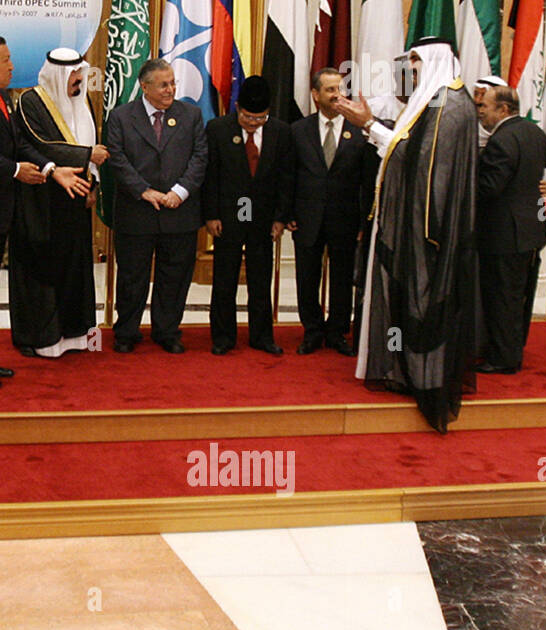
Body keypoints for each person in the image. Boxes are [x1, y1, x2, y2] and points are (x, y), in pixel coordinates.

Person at [336, 38, 479, 433]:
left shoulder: (448, 106)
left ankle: (422, 375)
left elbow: (421, 169)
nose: (411, 68)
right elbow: (410, 151)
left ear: (433, 60)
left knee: (421, 299)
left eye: (415, 60)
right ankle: (403, 367)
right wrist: (373, 127)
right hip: (412, 223)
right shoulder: (435, 100)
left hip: (426, 231)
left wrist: (367, 125)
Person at [0, 34, 89, 388]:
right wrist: (15, 171)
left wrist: (53, 170)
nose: (12, 66)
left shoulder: (0, 97)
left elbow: (19, 144)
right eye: (6, 60)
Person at [103, 57, 208, 353]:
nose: (170, 89)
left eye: (173, 83)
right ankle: (126, 333)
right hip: (136, 211)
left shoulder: (191, 115)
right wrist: (143, 190)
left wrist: (180, 191)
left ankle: (167, 332)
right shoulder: (122, 117)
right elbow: (117, 158)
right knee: (132, 277)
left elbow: (200, 158)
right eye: (163, 84)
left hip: (180, 212)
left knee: (174, 277)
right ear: (144, 86)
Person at [9, 48, 104, 357]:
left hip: (76, 200)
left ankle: (79, 337)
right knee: (44, 270)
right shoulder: (30, 102)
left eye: (80, 74)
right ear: (57, 75)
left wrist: (93, 185)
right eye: (73, 76)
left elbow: (89, 137)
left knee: (76, 269)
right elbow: (38, 144)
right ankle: (45, 339)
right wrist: (86, 157)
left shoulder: (82, 98)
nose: (78, 81)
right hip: (42, 202)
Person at [201, 75, 294, 355]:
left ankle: (262, 336)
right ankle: (223, 337)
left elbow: (286, 178)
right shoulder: (217, 129)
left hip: (263, 218)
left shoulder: (281, 132)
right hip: (228, 216)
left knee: (260, 277)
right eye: (248, 117)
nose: (253, 123)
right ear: (237, 107)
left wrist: (280, 218)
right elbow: (210, 176)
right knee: (225, 278)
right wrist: (211, 215)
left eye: (260, 118)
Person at [287, 67, 373, 356]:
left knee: (341, 278)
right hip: (307, 219)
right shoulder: (298, 130)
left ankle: (337, 332)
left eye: (340, 89)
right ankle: (312, 331)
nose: (337, 95)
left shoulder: (360, 132)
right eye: (330, 90)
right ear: (315, 95)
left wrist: (364, 221)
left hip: (345, 220)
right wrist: (287, 214)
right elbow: (288, 177)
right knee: (307, 278)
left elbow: (367, 182)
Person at [474, 84, 546, 374]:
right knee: (518, 296)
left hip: (504, 234)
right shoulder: (533, 131)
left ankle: (503, 359)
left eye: (485, 106)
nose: (480, 111)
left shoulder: (501, 140)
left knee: (501, 298)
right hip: (531, 230)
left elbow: (490, 187)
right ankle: (510, 348)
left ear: (504, 110)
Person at [472, 75, 508, 150]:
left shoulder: (509, 135)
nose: (477, 100)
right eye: (476, 94)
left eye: (483, 95)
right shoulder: (467, 128)